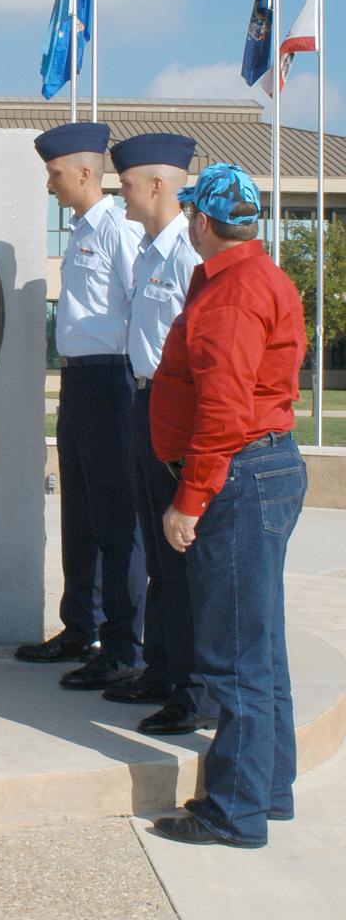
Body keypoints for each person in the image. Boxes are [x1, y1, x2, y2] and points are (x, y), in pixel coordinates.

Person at [150, 163, 307, 848]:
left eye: (192, 213)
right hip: (261, 468)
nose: (189, 222)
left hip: (238, 475)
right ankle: (267, 790)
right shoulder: (252, 277)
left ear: (204, 220)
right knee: (259, 647)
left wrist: (190, 498)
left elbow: (223, 409)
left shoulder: (233, 294)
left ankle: (233, 812)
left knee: (233, 656)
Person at [16, 123, 146, 690]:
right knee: (81, 513)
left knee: (116, 520)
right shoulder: (81, 232)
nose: (50, 184)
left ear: (86, 172)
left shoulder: (119, 230)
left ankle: (122, 648)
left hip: (112, 379)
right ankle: (80, 627)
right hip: (78, 381)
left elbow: (142, 307)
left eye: (55, 174)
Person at [107, 132, 218, 736]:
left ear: (156, 185)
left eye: (126, 185)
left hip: (178, 410)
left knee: (180, 557)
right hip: (144, 401)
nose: (121, 194)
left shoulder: (185, 255)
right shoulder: (149, 250)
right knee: (155, 549)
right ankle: (161, 668)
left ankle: (193, 690)